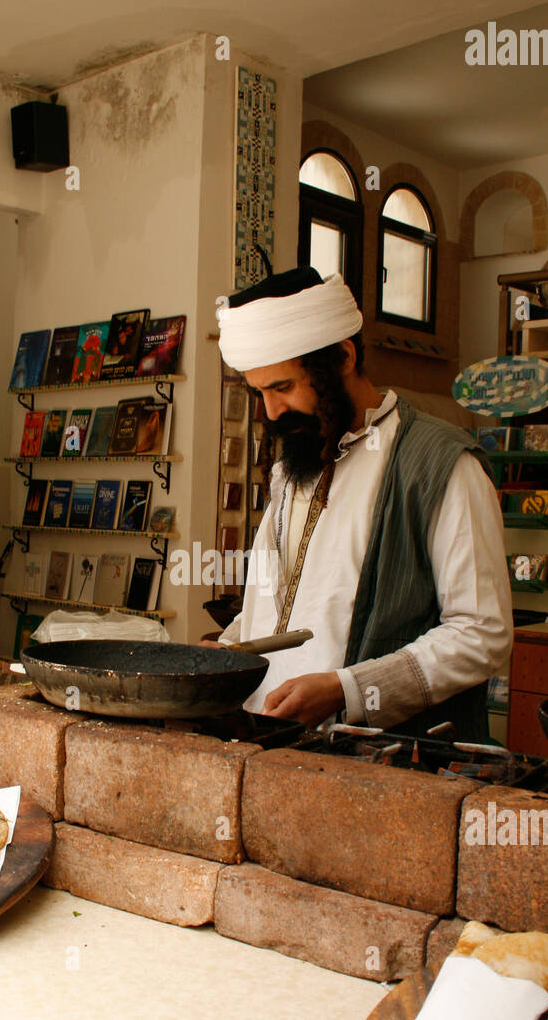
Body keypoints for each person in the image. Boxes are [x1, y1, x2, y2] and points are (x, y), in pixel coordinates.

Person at [212, 266, 513, 737]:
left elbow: (482, 633)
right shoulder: (295, 463)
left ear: (344, 358)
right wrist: (229, 651)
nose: (270, 412)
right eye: (259, 392)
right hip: (269, 740)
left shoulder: (440, 463)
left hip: (384, 764)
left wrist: (348, 690)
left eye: (283, 388)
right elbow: (279, 604)